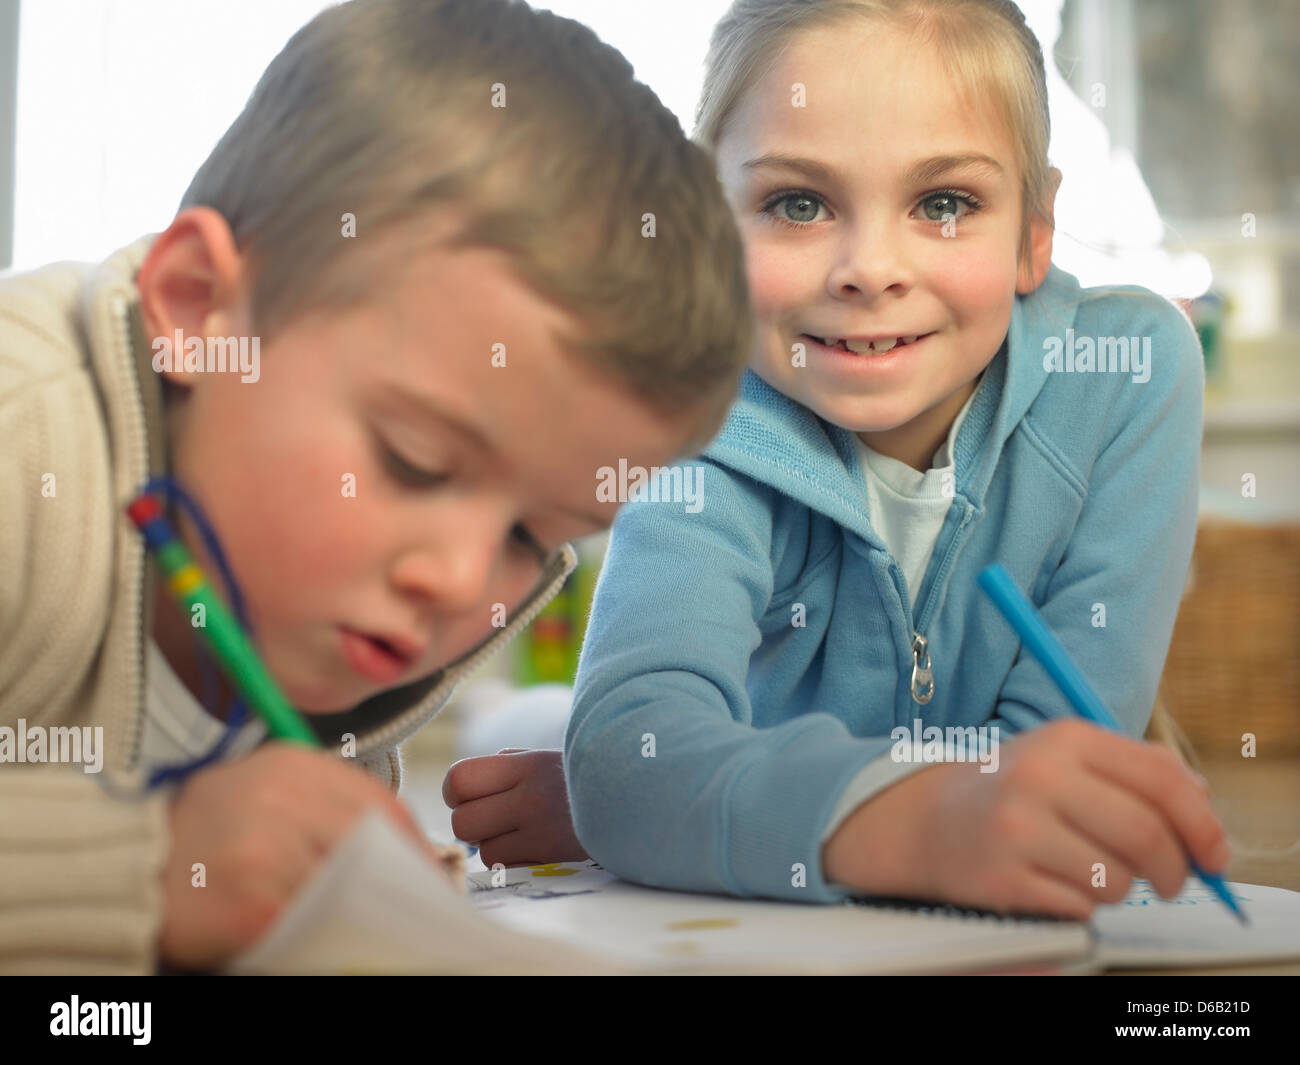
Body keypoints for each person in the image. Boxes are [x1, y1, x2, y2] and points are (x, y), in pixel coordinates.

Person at [0, 0, 750, 973]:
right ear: (195, 306)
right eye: (414, 462)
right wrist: (149, 865)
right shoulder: (24, 442)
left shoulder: (319, 640)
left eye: (534, 534)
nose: (459, 579)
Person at [555, 0, 1227, 917]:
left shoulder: (1125, 376)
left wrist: (717, 796)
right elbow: (628, 758)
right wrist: (658, 792)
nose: (870, 268)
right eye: (798, 203)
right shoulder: (692, 423)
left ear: (1035, 231)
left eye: (944, 203)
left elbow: (1054, 783)